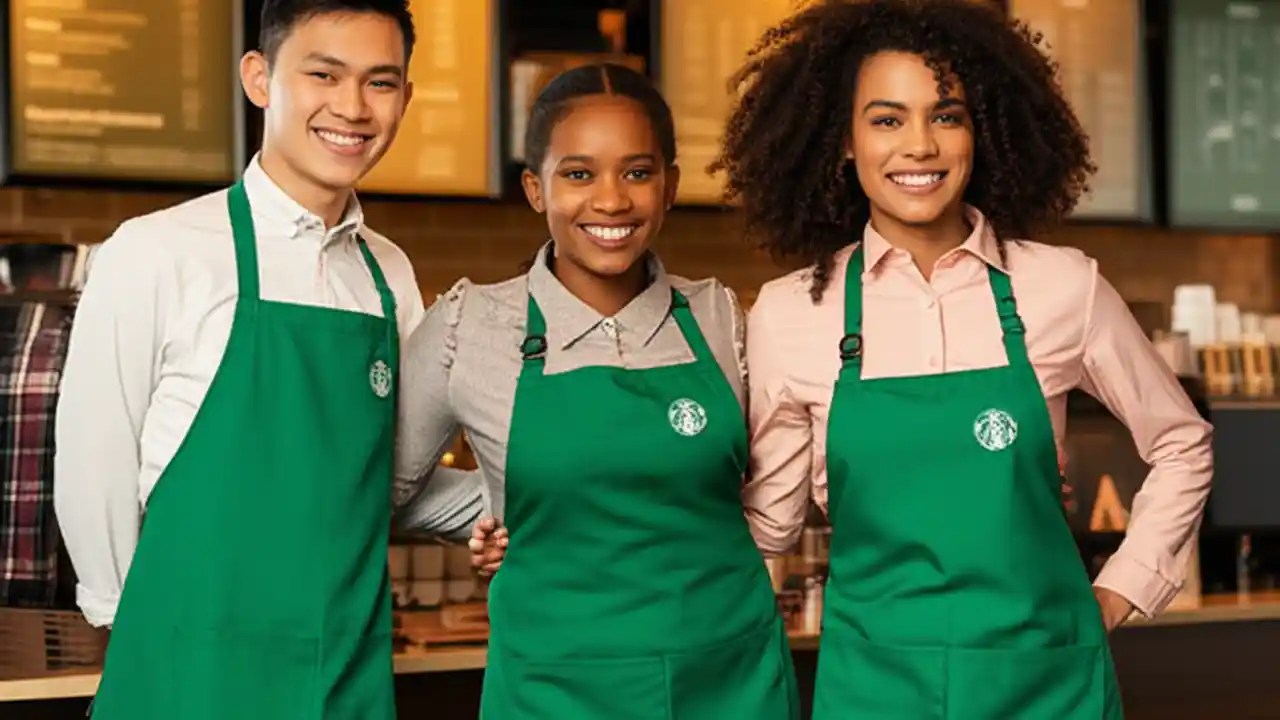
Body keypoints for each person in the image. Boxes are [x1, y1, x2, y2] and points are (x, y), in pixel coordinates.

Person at [708, 0, 1215, 717]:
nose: (919, 145)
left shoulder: (1061, 286)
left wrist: (1125, 585)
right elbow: (767, 527)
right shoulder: (793, 313)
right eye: (886, 119)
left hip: (1045, 683)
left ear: (982, 132)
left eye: (946, 115)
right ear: (843, 141)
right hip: (876, 689)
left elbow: (1181, 440)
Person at [53, 1, 444, 717]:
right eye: (324, 74)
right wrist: (132, 628)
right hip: (187, 669)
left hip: (344, 676)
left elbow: (391, 482)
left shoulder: (389, 274)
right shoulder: (157, 251)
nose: (352, 108)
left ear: (406, 99)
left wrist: (538, 495)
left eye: (380, 83)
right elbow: (92, 460)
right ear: (260, 78)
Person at [395, 63, 799, 719]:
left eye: (637, 173)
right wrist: (493, 507)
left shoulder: (721, 318)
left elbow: (772, 491)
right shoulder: (471, 326)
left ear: (670, 186)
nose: (611, 200)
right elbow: (385, 488)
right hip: (554, 692)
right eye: (578, 174)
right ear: (535, 188)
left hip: (728, 681)